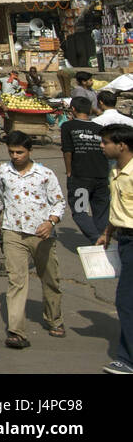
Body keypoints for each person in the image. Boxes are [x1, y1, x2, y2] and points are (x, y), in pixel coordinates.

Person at [0, 130, 66, 349]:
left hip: (42, 234)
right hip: (13, 232)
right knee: (16, 281)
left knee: (50, 278)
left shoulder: (45, 174)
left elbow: (59, 202)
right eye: (12, 152)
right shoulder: (1, 172)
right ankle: (17, 332)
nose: (15, 156)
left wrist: (50, 222)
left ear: (29, 151)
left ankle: (55, 319)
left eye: (20, 152)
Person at [95, 126, 133, 374]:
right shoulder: (115, 171)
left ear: (121, 145)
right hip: (124, 239)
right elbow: (118, 205)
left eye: (105, 142)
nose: (101, 146)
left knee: (126, 301)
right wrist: (107, 232)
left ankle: (127, 360)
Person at [61, 97, 110, 243]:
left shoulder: (67, 126)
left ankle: (97, 239)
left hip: (80, 176)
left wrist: (69, 171)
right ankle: (103, 241)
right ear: (90, 110)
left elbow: (67, 151)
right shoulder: (100, 128)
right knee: (101, 213)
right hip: (101, 175)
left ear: (73, 109)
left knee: (79, 211)